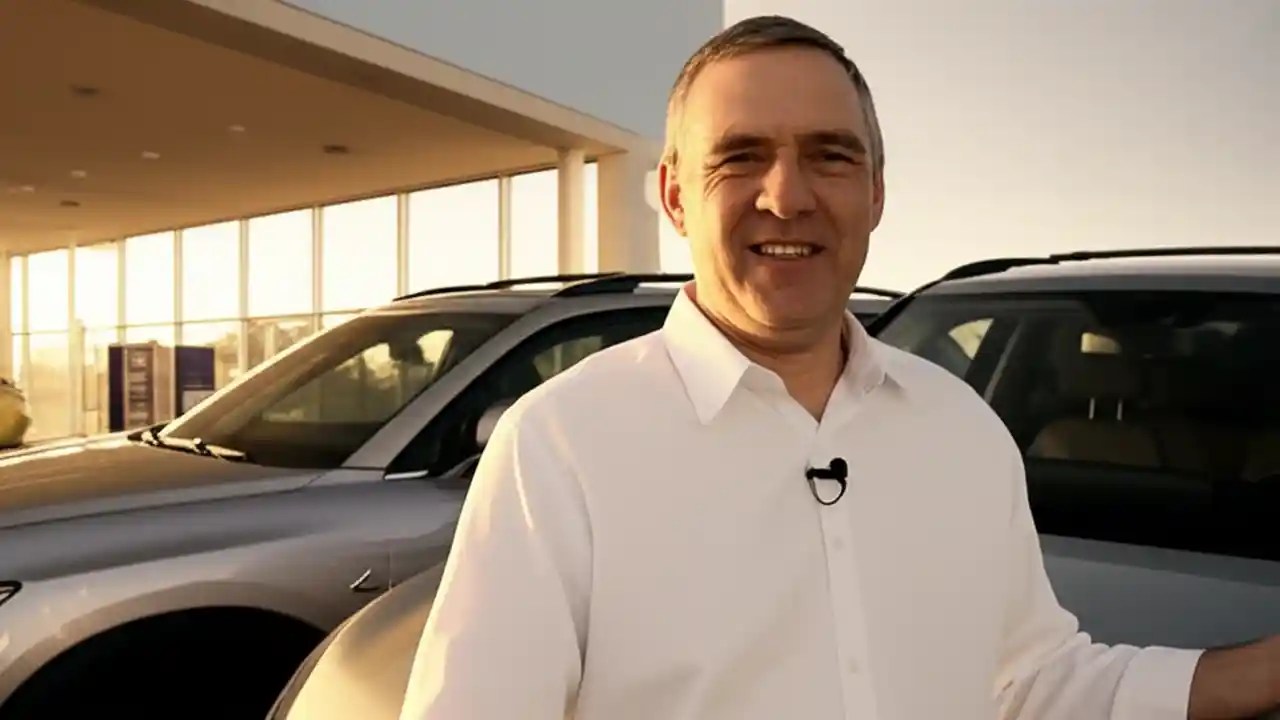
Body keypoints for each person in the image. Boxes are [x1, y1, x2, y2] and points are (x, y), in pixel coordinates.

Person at [399, 15, 1280, 720]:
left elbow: (1034, 682)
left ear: (876, 193)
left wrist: (1260, 673)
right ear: (673, 194)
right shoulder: (561, 447)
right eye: (741, 156)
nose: (788, 195)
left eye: (830, 154)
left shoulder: (960, 429)